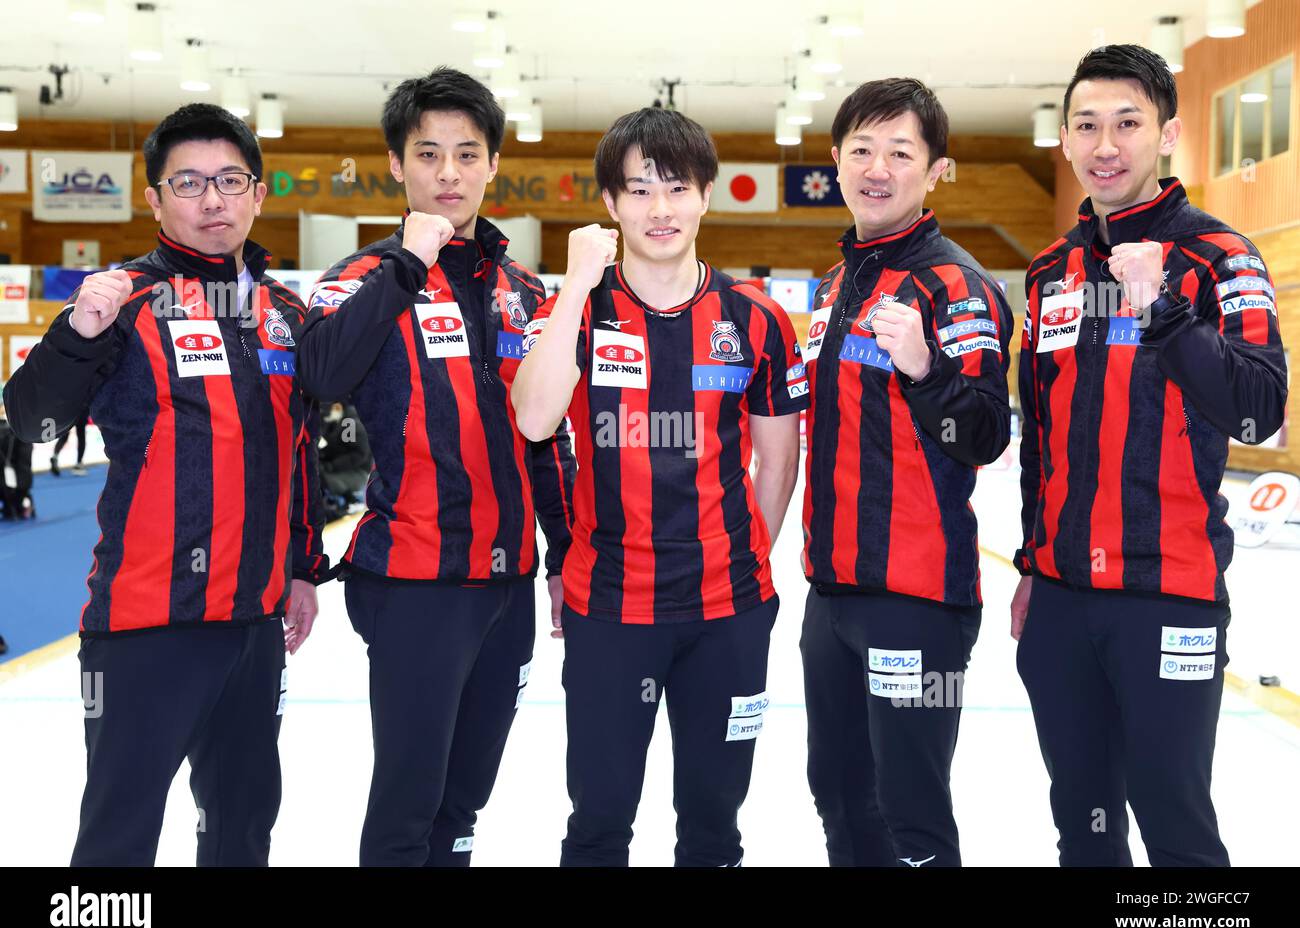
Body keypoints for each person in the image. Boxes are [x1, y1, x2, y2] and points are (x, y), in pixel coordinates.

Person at [2, 103, 329, 866]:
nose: (212, 199)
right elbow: (31, 423)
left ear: (257, 193)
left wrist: (304, 567)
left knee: (243, 830)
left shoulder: (284, 313)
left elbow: (299, 450)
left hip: (253, 630)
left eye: (229, 180)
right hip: (143, 632)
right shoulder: (122, 303)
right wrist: (75, 333)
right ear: (154, 199)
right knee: (118, 841)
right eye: (188, 182)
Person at [1012, 45, 1288, 866]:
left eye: (1128, 124)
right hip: (1061, 599)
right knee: (1083, 823)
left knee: (1175, 825)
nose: (1106, 145)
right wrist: (1031, 562)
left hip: (1169, 595)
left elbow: (1257, 408)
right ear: (1063, 140)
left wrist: (1161, 307)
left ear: (1167, 134)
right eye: (1088, 126)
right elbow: (1042, 437)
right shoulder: (1049, 271)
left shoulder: (1219, 256)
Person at [296, 68, 576, 867]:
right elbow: (321, 377)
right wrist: (405, 269)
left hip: (507, 584)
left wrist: (558, 557)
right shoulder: (358, 279)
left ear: (493, 165)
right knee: (407, 804)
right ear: (397, 164)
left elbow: (546, 437)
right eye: (428, 154)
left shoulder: (524, 291)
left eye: (467, 153)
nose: (448, 173)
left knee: (463, 805)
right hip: (416, 584)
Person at [512, 107, 805, 867]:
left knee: (714, 824)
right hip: (609, 608)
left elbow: (778, 461)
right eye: (639, 190)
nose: (660, 209)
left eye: (677, 187)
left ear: (707, 194)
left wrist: (745, 561)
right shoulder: (573, 311)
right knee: (600, 819)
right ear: (609, 205)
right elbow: (537, 419)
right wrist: (577, 282)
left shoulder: (757, 320)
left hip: (729, 613)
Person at [799, 78, 1013, 867]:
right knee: (839, 793)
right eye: (861, 149)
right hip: (833, 596)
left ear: (937, 170)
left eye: (900, 151)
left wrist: (926, 369)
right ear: (836, 160)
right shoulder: (834, 284)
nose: (877, 167)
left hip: (918, 600)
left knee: (911, 811)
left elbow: (985, 434)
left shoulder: (955, 283)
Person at [0, 399, 35, 520]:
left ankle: (16, 506)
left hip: (14, 479)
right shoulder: (23, 433)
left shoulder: (11, 435)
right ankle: (21, 505)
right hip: (23, 478)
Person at [50, 410, 89, 476]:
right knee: (81, 435)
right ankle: (79, 464)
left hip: (67, 409)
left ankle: (55, 456)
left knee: (64, 435)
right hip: (81, 408)